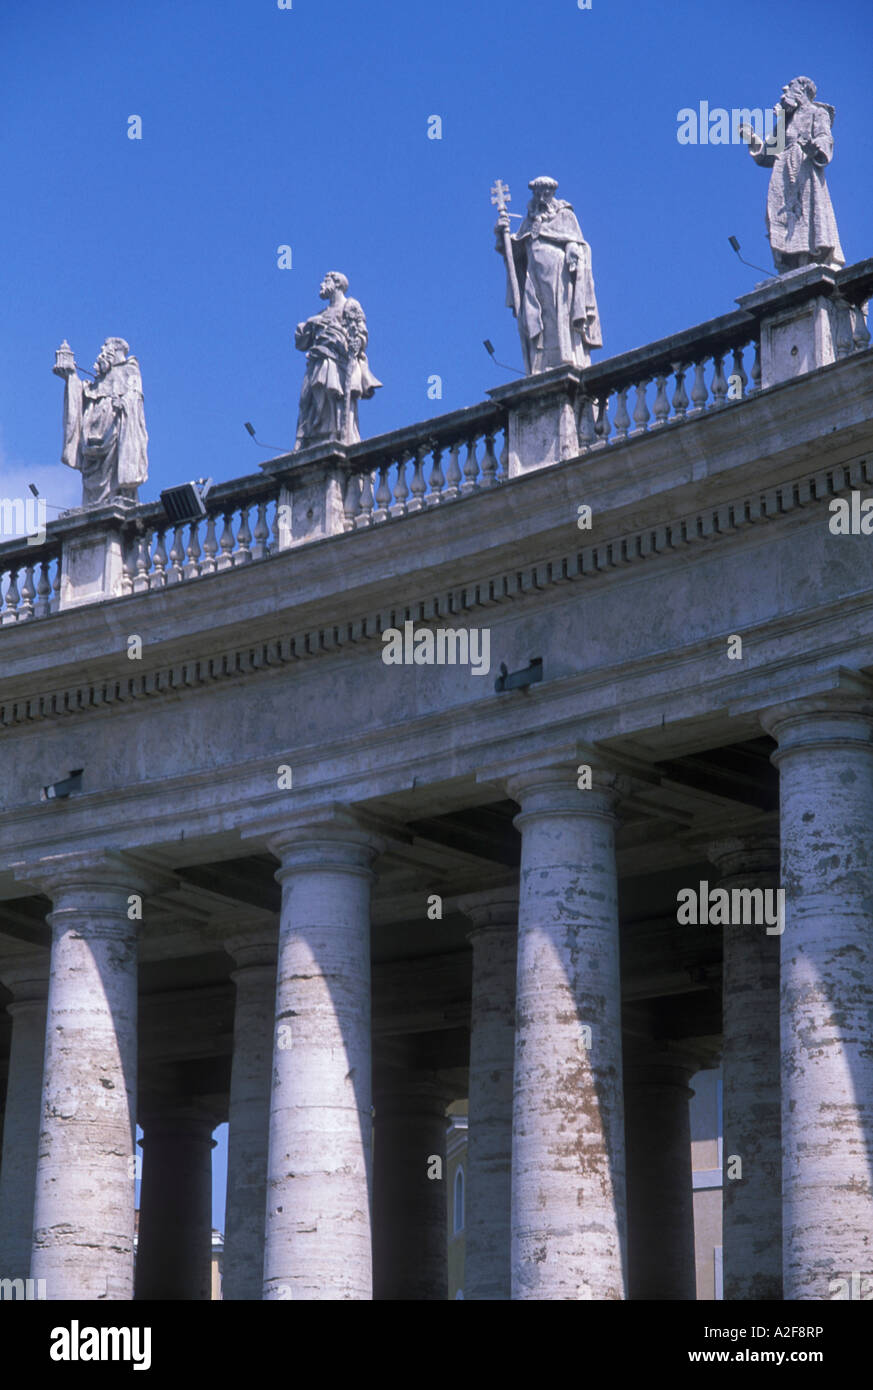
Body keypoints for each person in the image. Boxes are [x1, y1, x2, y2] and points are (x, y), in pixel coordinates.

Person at [495, 176, 601, 374]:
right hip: (534, 277)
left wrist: (571, 249)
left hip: (558, 274)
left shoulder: (565, 215)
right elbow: (516, 250)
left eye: (547, 193)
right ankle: (541, 365)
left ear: (552, 194)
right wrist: (502, 234)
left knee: (559, 313)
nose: (542, 197)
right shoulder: (529, 220)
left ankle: (564, 357)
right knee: (536, 317)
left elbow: (576, 240)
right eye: (538, 193)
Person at [739, 77, 844, 273]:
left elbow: (825, 138)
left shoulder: (817, 113)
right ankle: (792, 264)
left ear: (803, 90)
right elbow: (766, 154)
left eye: (791, 86)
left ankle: (809, 260)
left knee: (807, 212)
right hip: (782, 175)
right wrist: (751, 137)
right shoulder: (786, 120)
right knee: (780, 218)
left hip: (804, 169)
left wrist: (814, 147)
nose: (785, 88)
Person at [53, 337, 148, 507]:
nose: (101, 350)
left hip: (113, 433)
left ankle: (116, 495)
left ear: (115, 351)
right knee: (93, 475)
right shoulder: (101, 378)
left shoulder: (130, 371)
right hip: (92, 436)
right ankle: (93, 506)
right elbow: (85, 396)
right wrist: (72, 378)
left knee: (114, 468)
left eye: (105, 347)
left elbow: (135, 398)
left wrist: (125, 402)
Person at [294, 272, 382, 448]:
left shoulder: (350, 305)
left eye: (325, 281)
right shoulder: (321, 313)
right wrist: (311, 326)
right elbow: (301, 342)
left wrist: (357, 342)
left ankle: (337, 434)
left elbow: (360, 332)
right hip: (317, 360)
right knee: (307, 400)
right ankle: (310, 437)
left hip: (337, 362)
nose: (321, 284)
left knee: (334, 395)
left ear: (337, 284)